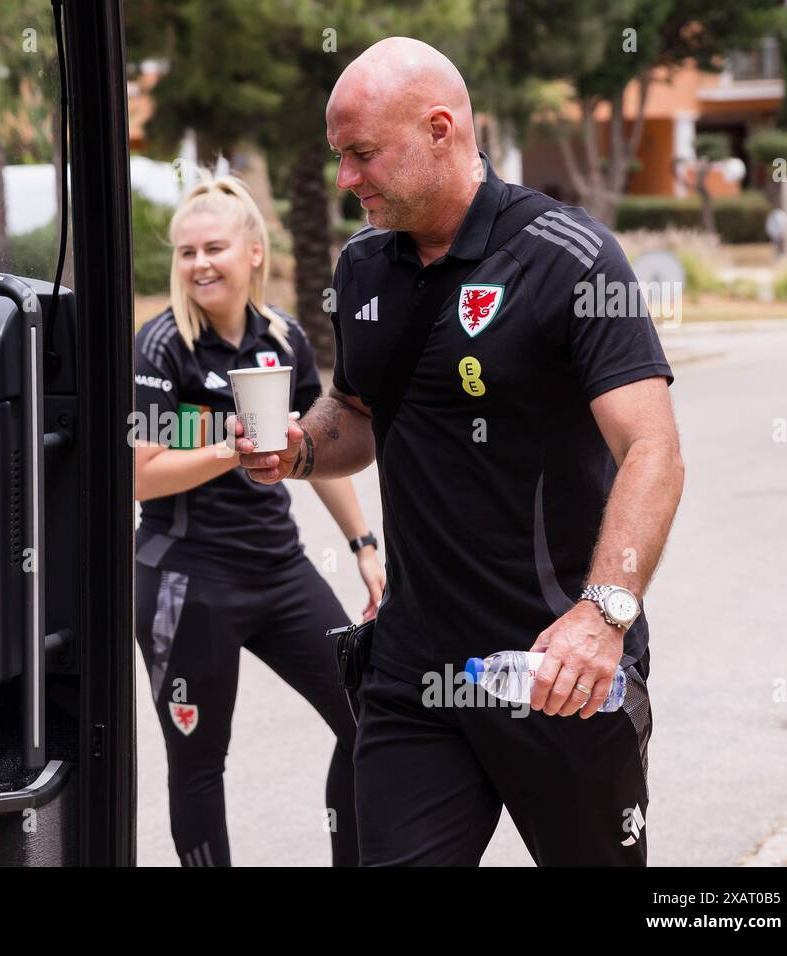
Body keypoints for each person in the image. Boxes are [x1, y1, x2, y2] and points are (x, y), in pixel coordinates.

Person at [238, 37, 685, 866]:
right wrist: (299, 448)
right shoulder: (364, 265)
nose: (346, 179)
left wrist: (604, 614)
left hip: (555, 671)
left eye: (362, 154)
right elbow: (359, 413)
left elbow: (652, 449)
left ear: (440, 129)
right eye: (338, 157)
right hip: (415, 676)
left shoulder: (572, 258)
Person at [133, 174, 384, 866]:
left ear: (252, 253)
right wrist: (230, 448)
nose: (199, 264)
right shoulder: (160, 347)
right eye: (185, 253)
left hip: (279, 570)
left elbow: (316, 451)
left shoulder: (285, 339)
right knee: (198, 764)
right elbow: (141, 472)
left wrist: (363, 545)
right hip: (187, 581)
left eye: (213, 247)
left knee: (370, 719)